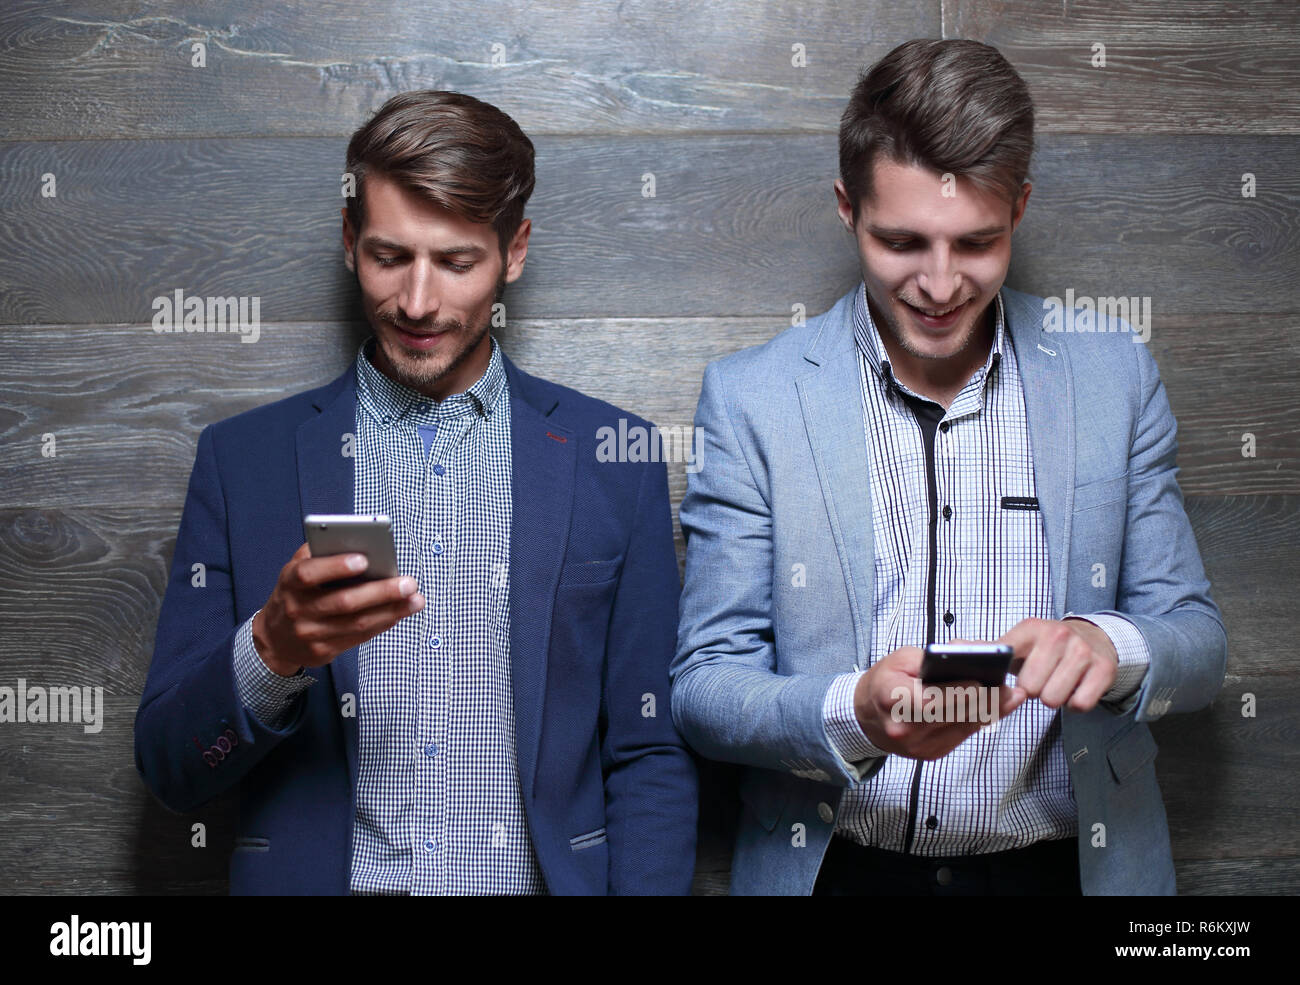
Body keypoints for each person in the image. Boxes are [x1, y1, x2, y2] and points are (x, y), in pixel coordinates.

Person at [670, 39, 1225, 896]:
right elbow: (704, 687)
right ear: (847, 208)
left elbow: (1198, 641)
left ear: (1021, 209)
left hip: (1073, 871)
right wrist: (850, 711)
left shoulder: (1114, 372)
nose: (938, 284)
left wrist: (1109, 647)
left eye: (976, 243)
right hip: (839, 871)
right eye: (902, 241)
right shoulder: (752, 398)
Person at [135, 90, 697, 895]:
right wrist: (272, 650)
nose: (418, 303)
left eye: (457, 262)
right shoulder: (242, 463)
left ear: (515, 251)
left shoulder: (616, 457)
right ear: (348, 241)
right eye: (390, 256)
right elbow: (169, 767)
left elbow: (650, 750)